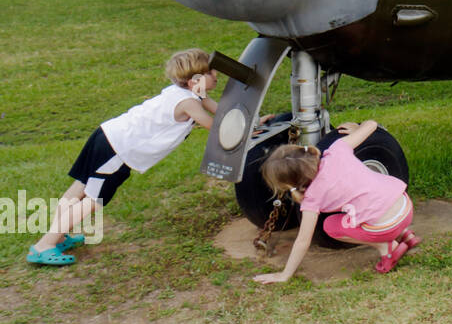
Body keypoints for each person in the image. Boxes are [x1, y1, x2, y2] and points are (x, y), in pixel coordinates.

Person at [27, 48, 218, 266]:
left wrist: (254, 122)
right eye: (211, 72)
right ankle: (44, 245)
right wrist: (244, 131)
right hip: (118, 150)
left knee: (80, 186)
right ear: (195, 80)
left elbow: (217, 110)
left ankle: (58, 237)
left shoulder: (186, 93)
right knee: (93, 199)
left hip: (106, 136)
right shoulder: (188, 103)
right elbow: (214, 124)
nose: (216, 76)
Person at [253, 120, 419, 283]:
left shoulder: (312, 198)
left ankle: (386, 247)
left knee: (330, 226)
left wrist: (285, 274)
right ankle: (405, 234)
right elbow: (372, 124)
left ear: (291, 184)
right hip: (404, 206)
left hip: (386, 226)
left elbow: (303, 240)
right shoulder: (337, 149)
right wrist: (357, 128)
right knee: (371, 201)